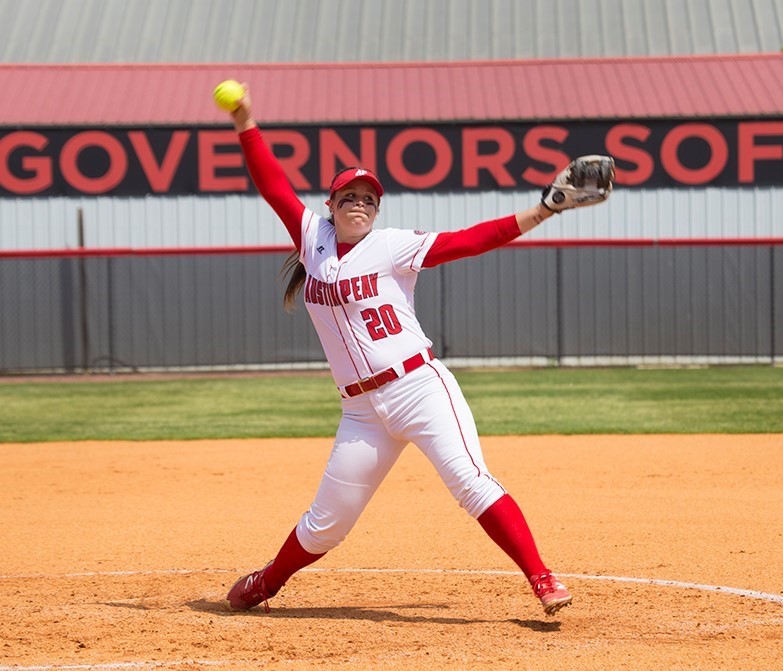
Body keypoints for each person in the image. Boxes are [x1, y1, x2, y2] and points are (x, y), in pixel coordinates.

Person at [219, 84, 613, 617]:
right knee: (327, 522)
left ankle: (542, 579)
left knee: (470, 482)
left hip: (418, 388)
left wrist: (543, 211)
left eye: (368, 198)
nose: (359, 202)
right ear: (330, 206)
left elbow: (472, 239)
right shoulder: (312, 238)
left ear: (376, 210)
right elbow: (271, 185)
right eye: (348, 196)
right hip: (360, 410)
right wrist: (245, 119)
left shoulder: (393, 245)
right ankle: (267, 582)